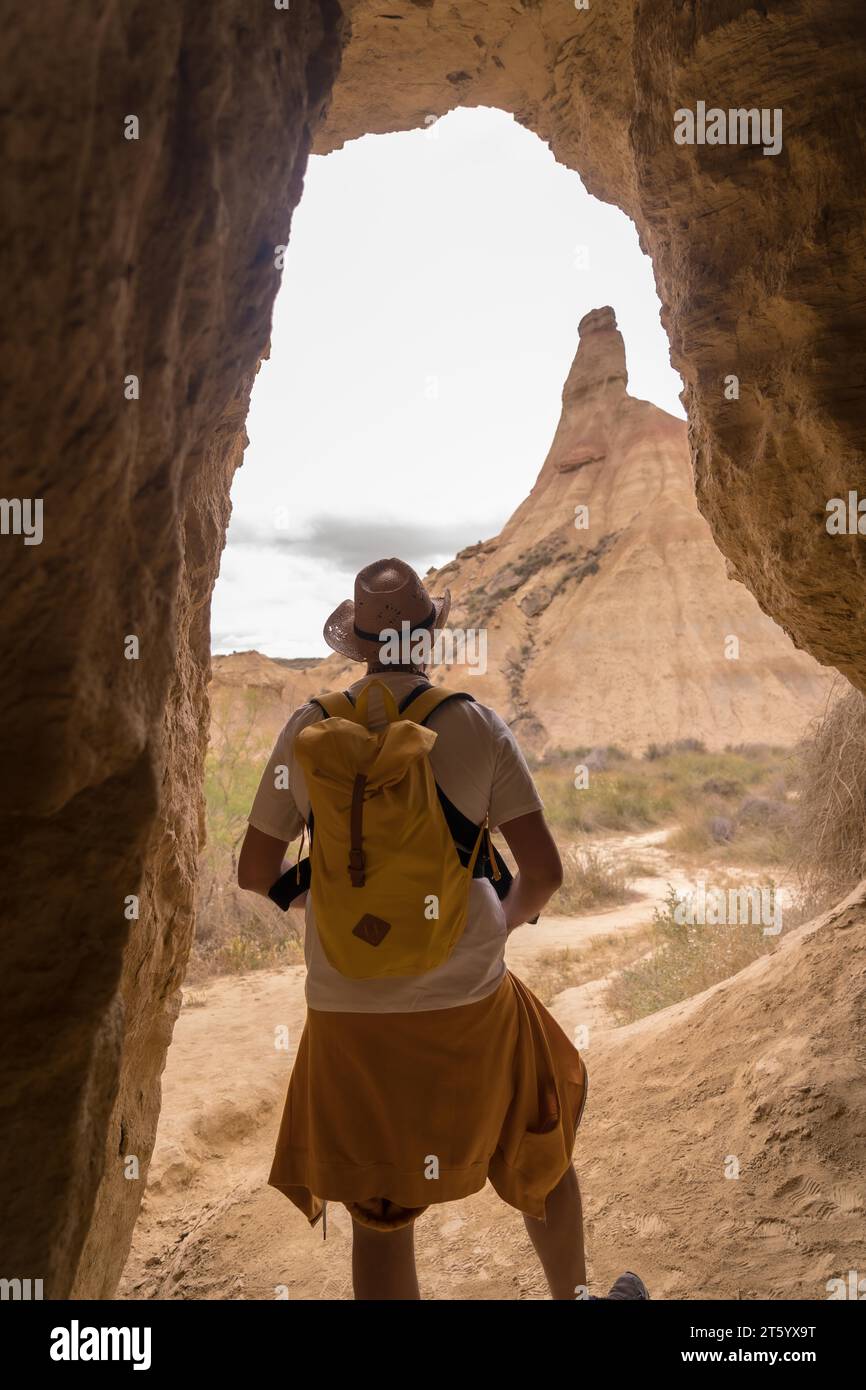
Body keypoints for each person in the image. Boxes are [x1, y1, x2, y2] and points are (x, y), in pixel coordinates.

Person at [238, 557, 648, 1301]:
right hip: (468, 1001)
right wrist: (495, 926)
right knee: (542, 1128)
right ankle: (574, 1298)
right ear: (427, 637)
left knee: (380, 1207)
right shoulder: (474, 725)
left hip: (346, 1012)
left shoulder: (307, 728)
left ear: (358, 644)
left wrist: (333, 911)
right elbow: (544, 872)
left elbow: (255, 868)